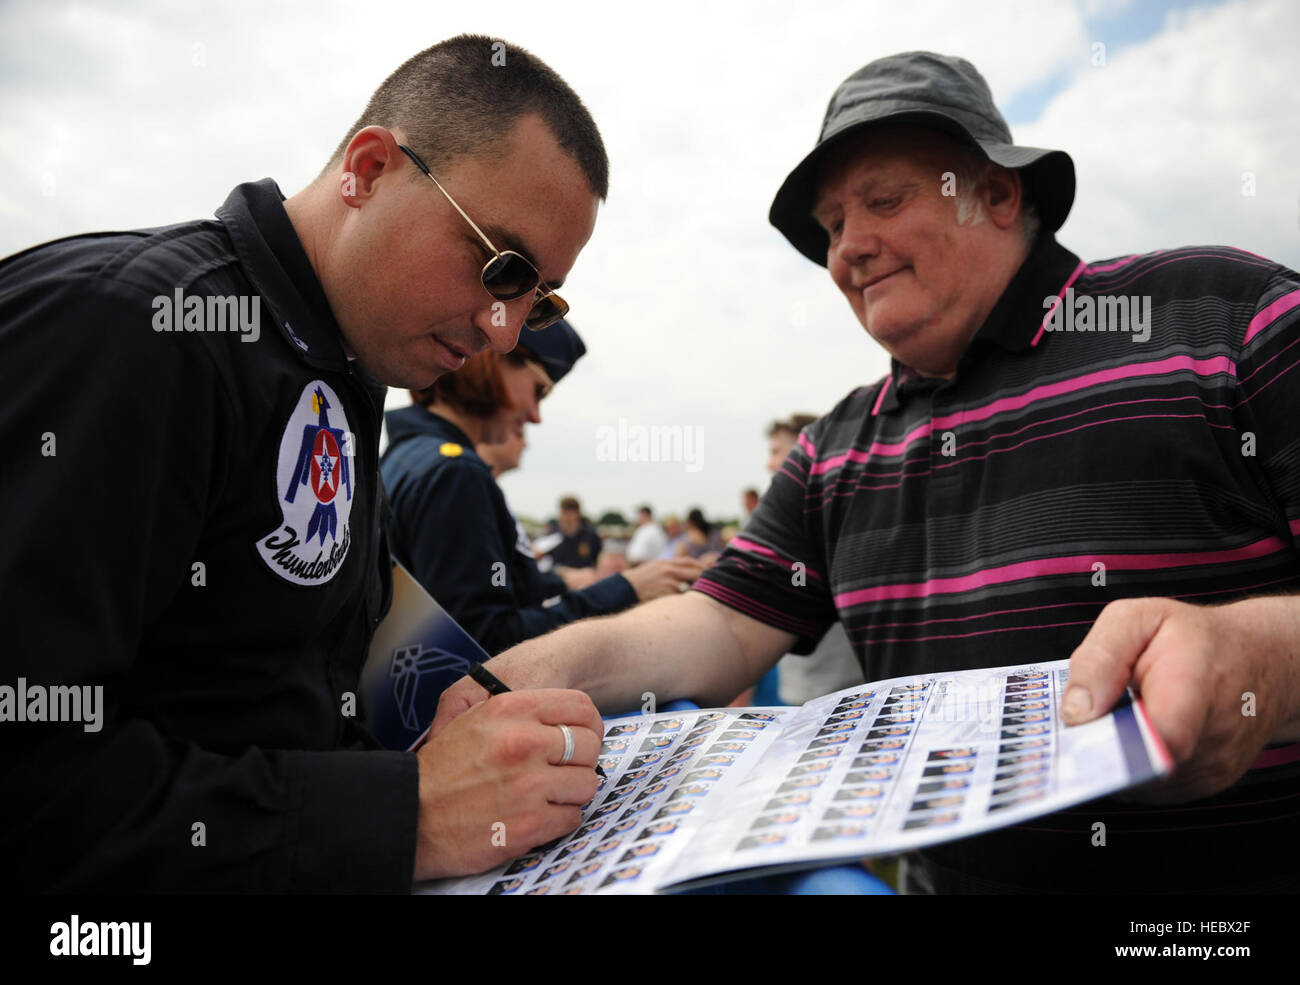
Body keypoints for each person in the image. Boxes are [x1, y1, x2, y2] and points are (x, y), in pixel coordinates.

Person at [434, 51, 1300, 893]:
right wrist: (516, 677)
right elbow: (719, 629)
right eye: (832, 226)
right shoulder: (837, 445)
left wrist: (1265, 656)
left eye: (882, 201)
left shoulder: (1225, 316)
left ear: (998, 192)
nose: (849, 248)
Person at [0, 35, 613, 891]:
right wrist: (409, 812)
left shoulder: (342, 372)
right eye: (499, 266)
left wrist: (461, 703)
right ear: (368, 169)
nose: (502, 331)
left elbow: (285, 673)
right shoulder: (134, 330)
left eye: (534, 301)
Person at [381, 320, 705, 655]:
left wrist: (570, 583)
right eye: (537, 390)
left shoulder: (411, 455)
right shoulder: (455, 471)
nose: (536, 416)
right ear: (489, 359)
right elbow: (486, 642)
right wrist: (626, 590)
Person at [764, 416, 863, 705]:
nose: (769, 464)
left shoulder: (828, 519)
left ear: (808, 451)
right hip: (813, 687)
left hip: (838, 692)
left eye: (776, 451)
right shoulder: (795, 517)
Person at [548, 495, 605, 568]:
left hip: (585, 577)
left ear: (578, 514)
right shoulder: (552, 535)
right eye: (564, 514)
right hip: (557, 577)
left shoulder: (591, 536)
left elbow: (598, 562)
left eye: (570, 515)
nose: (566, 519)